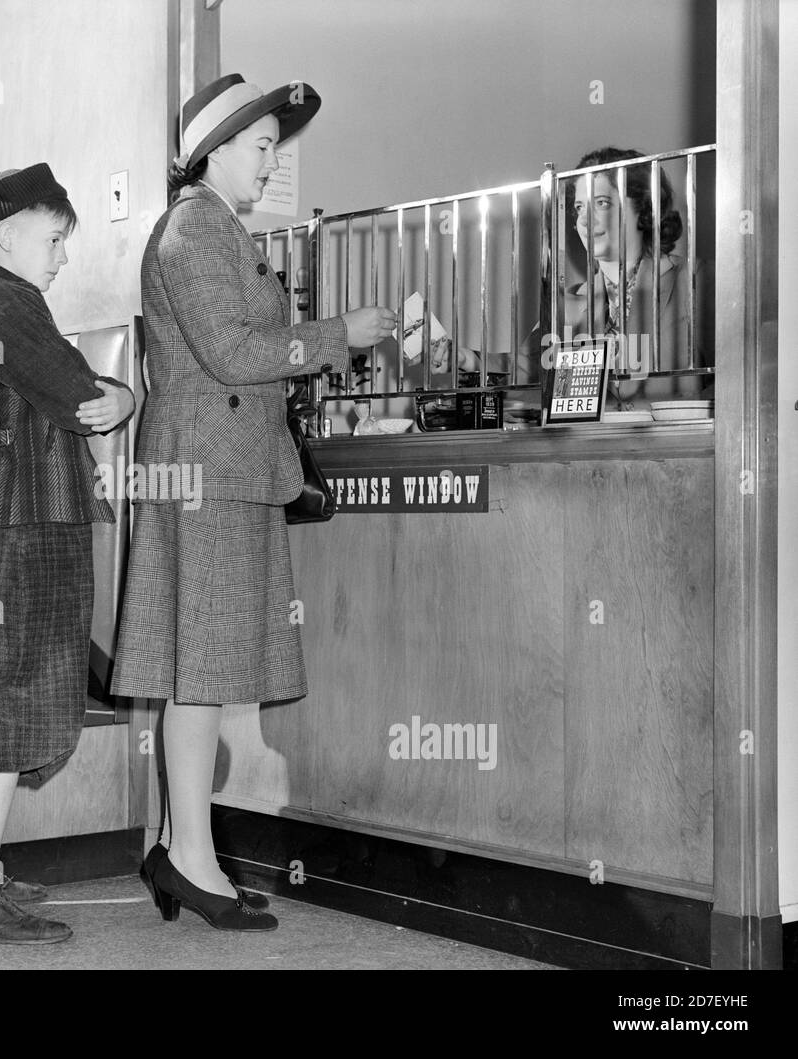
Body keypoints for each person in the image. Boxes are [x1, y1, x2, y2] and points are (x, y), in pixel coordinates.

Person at [110, 74, 395, 931]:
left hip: (214, 466)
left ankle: (177, 846)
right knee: (201, 671)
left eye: (276, 145)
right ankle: (190, 858)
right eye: (263, 145)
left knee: (200, 670)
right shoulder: (196, 229)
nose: (274, 162)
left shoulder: (213, 228)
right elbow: (235, 354)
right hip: (211, 471)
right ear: (215, 149)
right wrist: (339, 335)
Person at [0, 164, 135, 945]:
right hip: (25, 524)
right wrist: (124, 395)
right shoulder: (8, 299)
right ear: (6, 235)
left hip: (8, 520)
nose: (61, 255)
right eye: (53, 238)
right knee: (11, 691)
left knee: (1, 686)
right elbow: (80, 394)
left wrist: (115, 398)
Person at [438, 146, 711, 410]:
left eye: (602, 203)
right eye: (580, 207)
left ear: (643, 208)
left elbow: (742, 373)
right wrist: (464, 358)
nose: (585, 220)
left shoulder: (697, 280)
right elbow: (523, 369)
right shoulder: (566, 303)